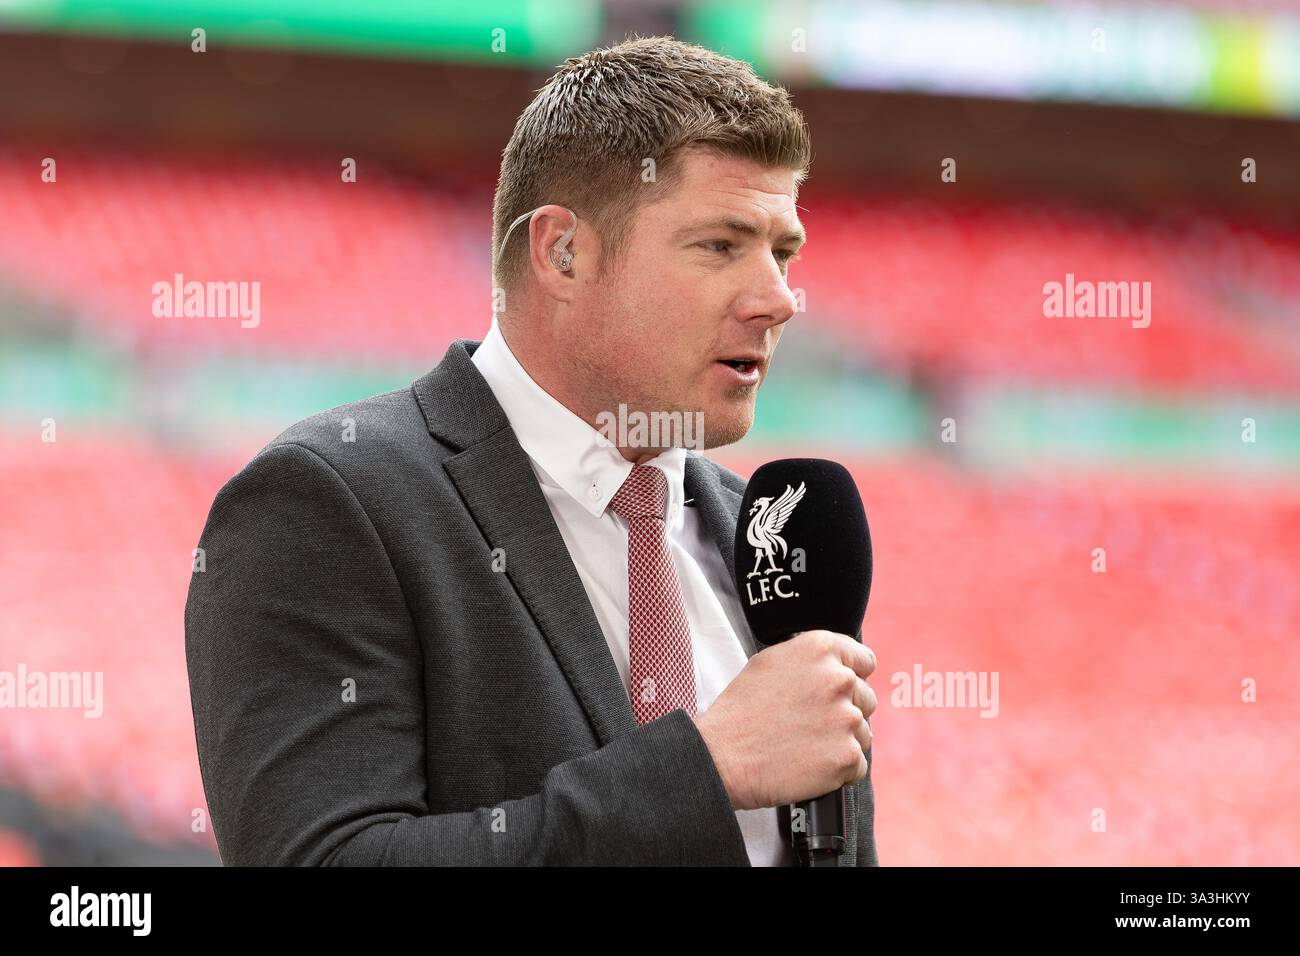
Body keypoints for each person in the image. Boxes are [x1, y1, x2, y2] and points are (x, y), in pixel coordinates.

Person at [185, 35, 877, 866]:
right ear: (563, 252)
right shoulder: (331, 500)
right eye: (721, 246)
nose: (778, 299)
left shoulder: (766, 531)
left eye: (784, 252)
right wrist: (703, 767)